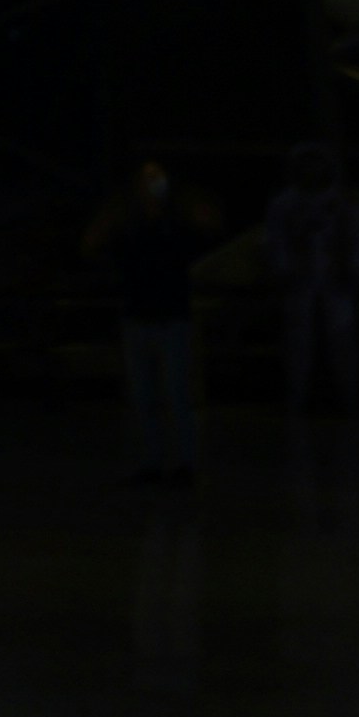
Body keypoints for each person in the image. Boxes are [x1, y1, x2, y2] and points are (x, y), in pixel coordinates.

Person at [92, 157, 215, 484]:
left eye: (157, 177)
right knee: (144, 396)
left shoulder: (176, 223)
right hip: (139, 317)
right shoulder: (129, 225)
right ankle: (151, 461)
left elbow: (195, 247)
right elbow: (105, 254)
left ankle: (184, 462)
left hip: (170, 318)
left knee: (176, 395)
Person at [260, 145, 359, 420]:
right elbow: (275, 243)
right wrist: (285, 272)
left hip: (336, 283)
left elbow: (358, 241)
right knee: (300, 345)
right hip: (301, 283)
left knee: (342, 343)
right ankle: (299, 401)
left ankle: (348, 400)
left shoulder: (343, 205)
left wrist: (352, 271)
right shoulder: (285, 205)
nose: (312, 171)